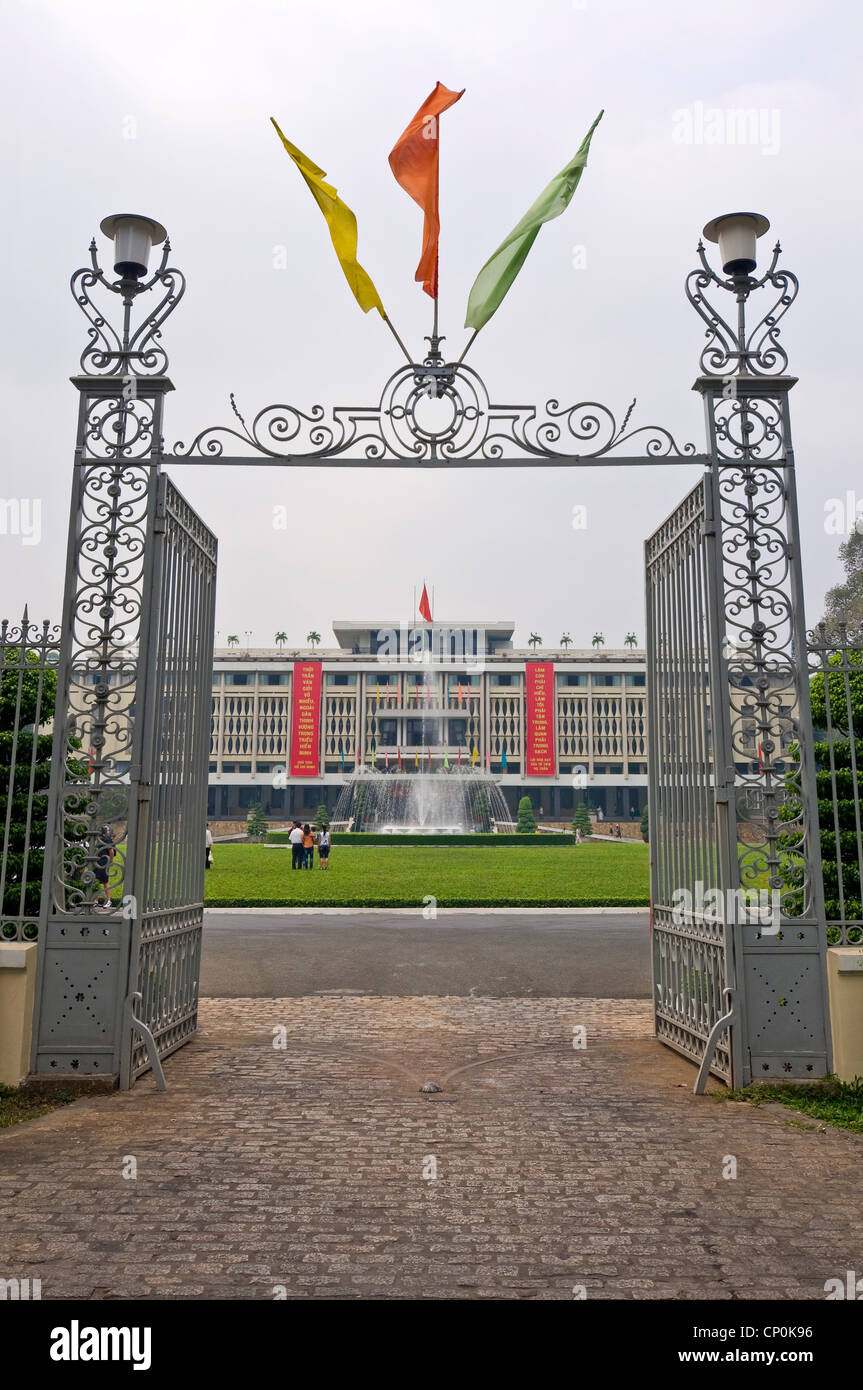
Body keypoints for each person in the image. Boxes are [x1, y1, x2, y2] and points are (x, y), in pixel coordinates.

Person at [93, 824, 115, 911]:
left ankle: (108, 900)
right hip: (96, 862)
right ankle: (96, 900)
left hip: (103, 862)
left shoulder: (107, 839)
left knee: (105, 881)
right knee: (96, 881)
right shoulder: (98, 840)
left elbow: (111, 851)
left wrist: (110, 861)